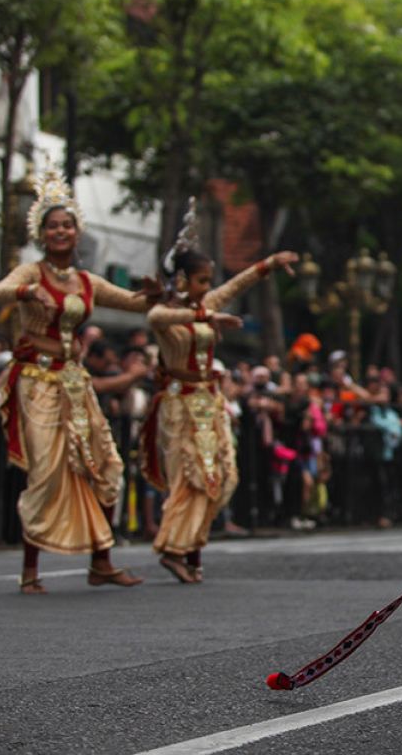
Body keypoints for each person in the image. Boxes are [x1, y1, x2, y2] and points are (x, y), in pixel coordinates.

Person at [0, 167, 163, 594]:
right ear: (42, 233)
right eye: (53, 226)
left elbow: (132, 303)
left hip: (74, 382)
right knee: (46, 472)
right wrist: (26, 293)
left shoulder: (86, 281)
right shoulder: (30, 273)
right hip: (37, 381)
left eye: (67, 225)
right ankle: (30, 571)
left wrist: (154, 296)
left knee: (103, 464)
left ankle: (101, 563)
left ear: (77, 231)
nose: (61, 231)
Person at [141, 201, 298, 582]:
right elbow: (156, 317)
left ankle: (191, 549)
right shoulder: (169, 313)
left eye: (208, 281)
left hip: (209, 402)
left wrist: (269, 264)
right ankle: (173, 548)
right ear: (180, 280)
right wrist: (206, 316)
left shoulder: (206, 304)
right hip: (179, 404)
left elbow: (236, 285)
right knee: (189, 478)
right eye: (200, 281)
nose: (207, 288)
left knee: (222, 475)